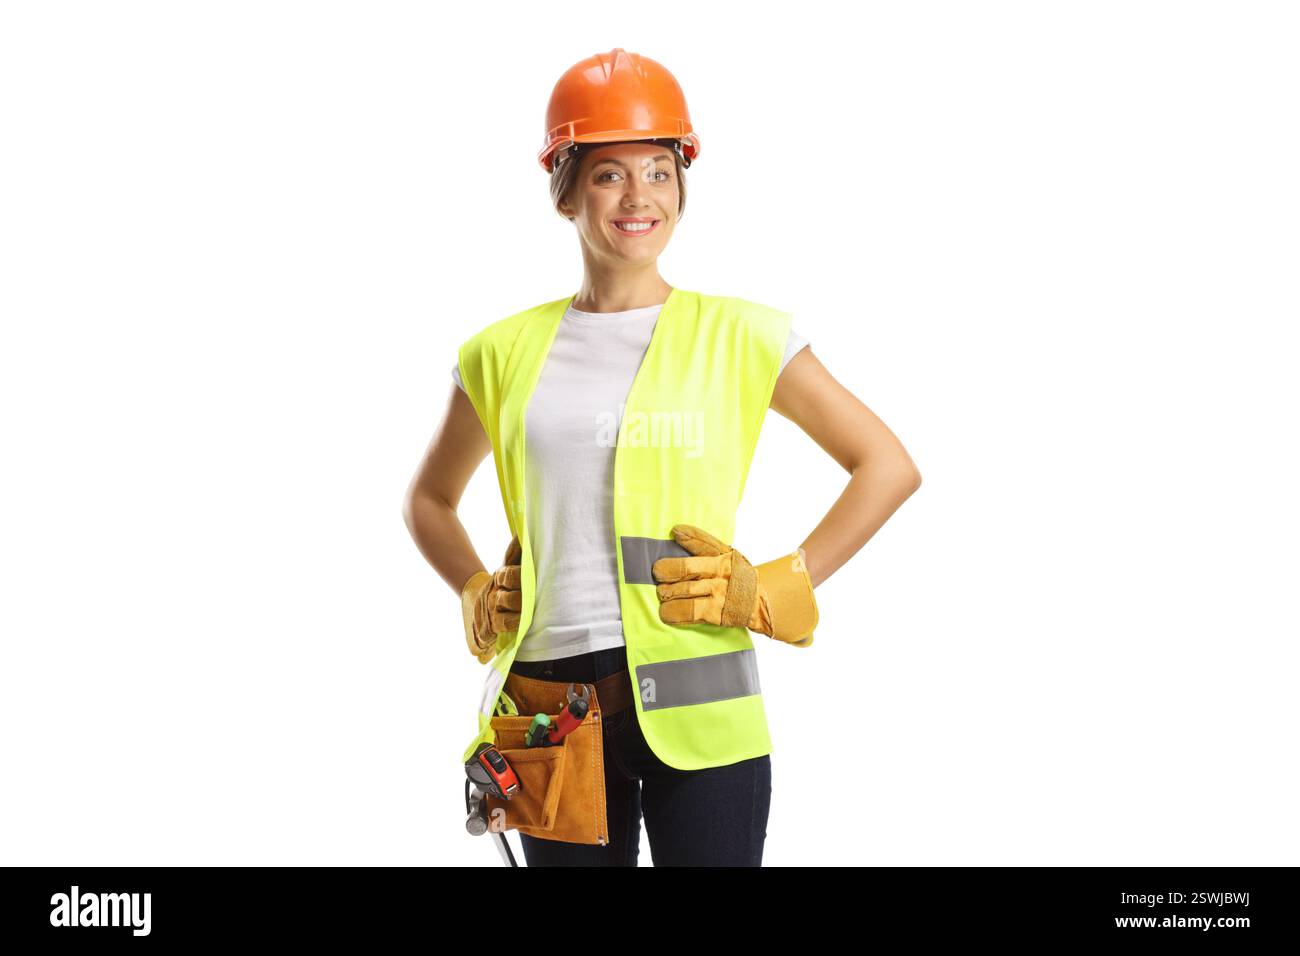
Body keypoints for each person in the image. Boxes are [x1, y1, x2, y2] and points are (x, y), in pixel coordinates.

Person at [403, 48, 921, 866]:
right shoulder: (497, 354)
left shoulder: (745, 335)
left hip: (706, 716)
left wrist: (781, 584)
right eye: (610, 174)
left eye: (659, 169)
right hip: (552, 714)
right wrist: (471, 581)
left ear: (682, 186)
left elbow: (887, 465)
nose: (640, 195)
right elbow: (428, 500)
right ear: (566, 189)